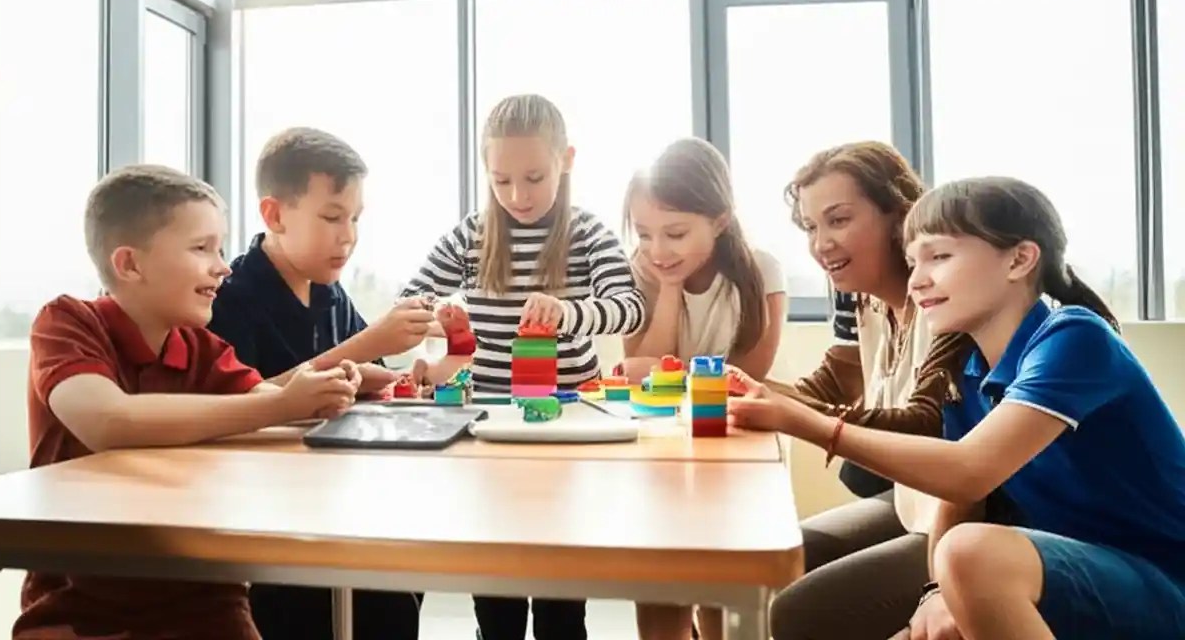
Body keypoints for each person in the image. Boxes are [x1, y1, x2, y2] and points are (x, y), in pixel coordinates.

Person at [731, 176, 1185, 639]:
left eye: (940, 256)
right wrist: (933, 595)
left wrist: (805, 421)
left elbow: (969, 471)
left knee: (970, 552)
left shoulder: (1074, 338)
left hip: (1161, 581)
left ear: (1020, 259)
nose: (917, 281)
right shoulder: (967, 370)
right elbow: (959, 503)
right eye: (912, 262)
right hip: (1066, 572)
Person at [14, 164, 358, 640]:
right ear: (130, 264)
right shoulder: (67, 323)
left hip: (203, 596)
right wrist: (282, 405)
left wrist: (320, 394)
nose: (222, 265)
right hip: (81, 604)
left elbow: (272, 402)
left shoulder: (201, 347)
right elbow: (108, 420)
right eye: (202, 248)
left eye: (220, 248)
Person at [400, 93, 647, 640]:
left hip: (568, 426)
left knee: (562, 597)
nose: (518, 195)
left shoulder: (587, 234)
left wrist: (568, 311)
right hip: (488, 429)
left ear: (567, 159)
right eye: (501, 180)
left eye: (534, 177)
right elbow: (410, 297)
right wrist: (438, 322)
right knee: (497, 593)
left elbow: (630, 307)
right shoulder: (471, 235)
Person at [208, 127, 430, 640]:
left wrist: (402, 376)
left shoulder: (328, 290)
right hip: (275, 518)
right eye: (331, 217)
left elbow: (351, 367)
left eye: (354, 219)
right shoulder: (233, 297)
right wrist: (374, 340)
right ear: (275, 214)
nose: (347, 235)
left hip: (341, 495)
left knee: (397, 588)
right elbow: (244, 398)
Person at [764, 141, 970, 640]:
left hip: (967, 515)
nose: (821, 243)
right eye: (812, 227)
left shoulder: (948, 298)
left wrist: (796, 418)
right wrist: (749, 389)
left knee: (802, 611)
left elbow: (929, 422)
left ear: (898, 215)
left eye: (838, 220)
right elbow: (831, 383)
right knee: (776, 558)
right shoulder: (859, 299)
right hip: (913, 500)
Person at [620, 137, 788, 640]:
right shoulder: (643, 273)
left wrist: (669, 374)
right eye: (645, 234)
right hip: (662, 448)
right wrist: (668, 288)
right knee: (660, 582)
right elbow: (634, 368)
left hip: (736, 448)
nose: (657, 250)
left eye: (674, 233)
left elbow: (745, 381)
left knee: (724, 588)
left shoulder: (761, 272)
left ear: (719, 220)